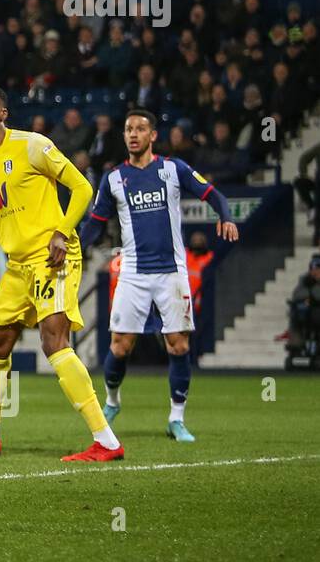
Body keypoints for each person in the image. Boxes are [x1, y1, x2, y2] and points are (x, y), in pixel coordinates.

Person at [0, 84, 122, 462]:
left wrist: (62, 231)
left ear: (3, 113)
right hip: (18, 267)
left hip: (52, 256)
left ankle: (106, 440)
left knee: (54, 342)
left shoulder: (33, 145)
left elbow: (83, 187)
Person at [80, 110, 237, 442]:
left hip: (172, 272)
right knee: (120, 345)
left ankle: (176, 419)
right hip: (133, 271)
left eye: (140, 129)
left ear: (152, 135)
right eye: (128, 129)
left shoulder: (172, 169)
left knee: (178, 345)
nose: (133, 134)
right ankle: (112, 401)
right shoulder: (113, 178)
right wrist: (75, 248)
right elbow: (95, 222)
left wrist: (225, 215)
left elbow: (211, 193)